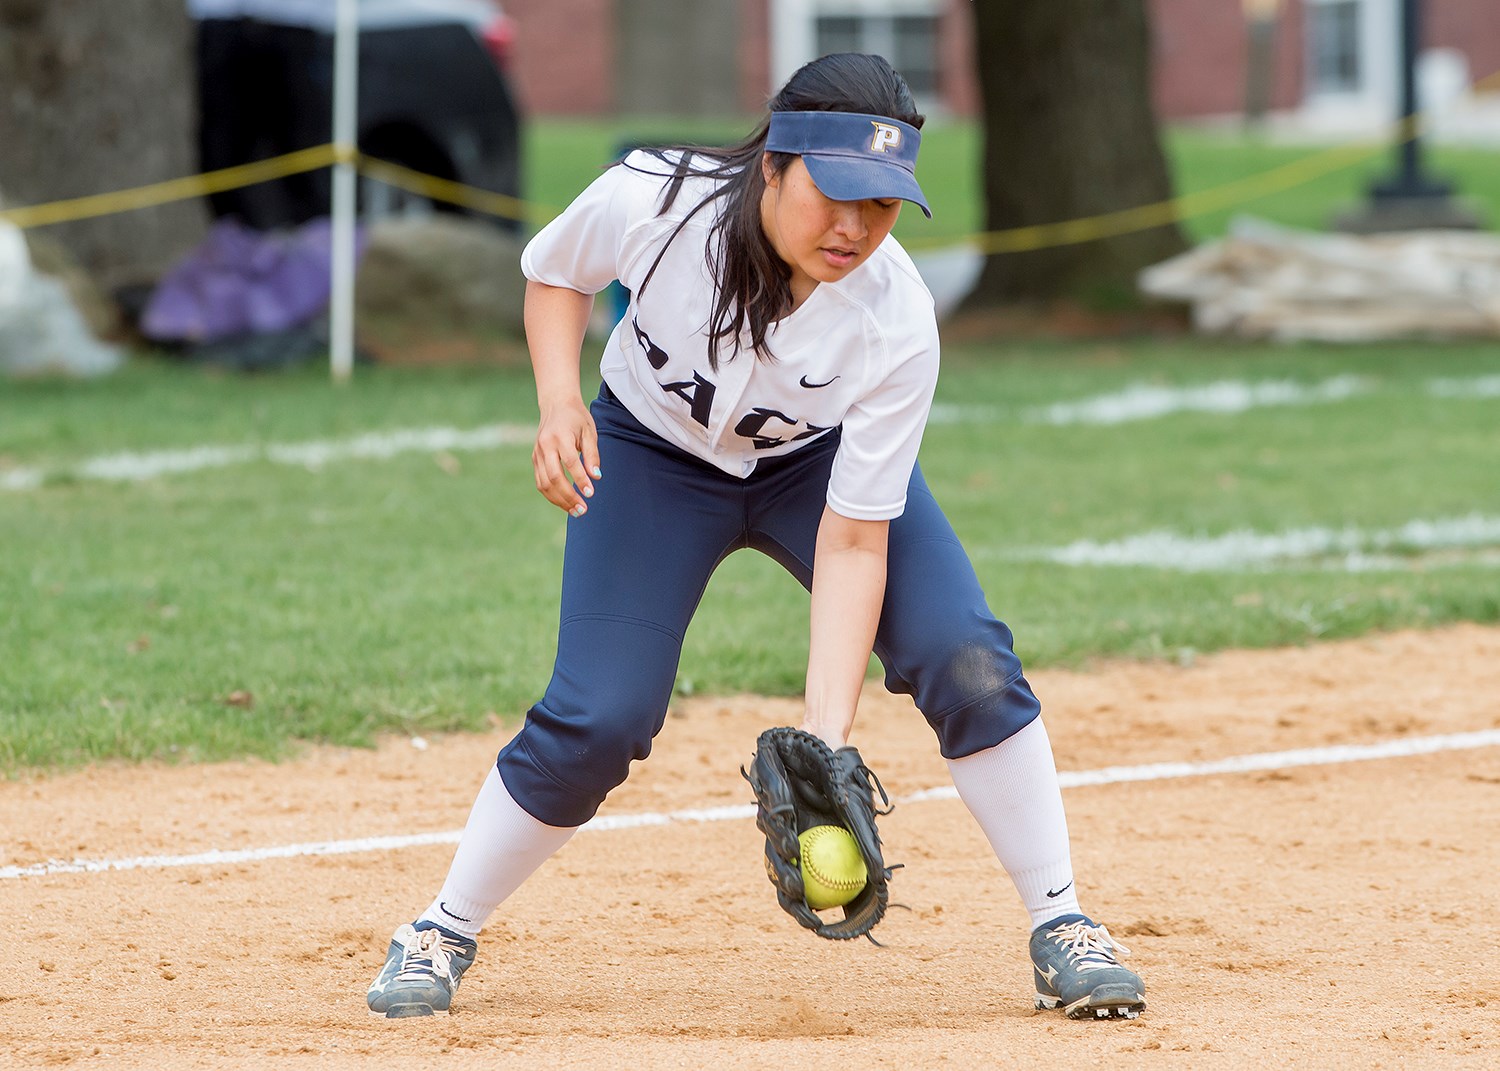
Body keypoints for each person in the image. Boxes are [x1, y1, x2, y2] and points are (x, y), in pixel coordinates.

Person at [366, 52, 1146, 1023]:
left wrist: (827, 739)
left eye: (886, 203)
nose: (857, 227)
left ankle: (1062, 924)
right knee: (600, 715)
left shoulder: (896, 317)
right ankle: (440, 928)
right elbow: (554, 275)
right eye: (837, 192)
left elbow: (857, 541)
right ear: (774, 164)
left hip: (810, 473)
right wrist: (559, 402)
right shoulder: (658, 201)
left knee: (967, 657)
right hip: (650, 458)